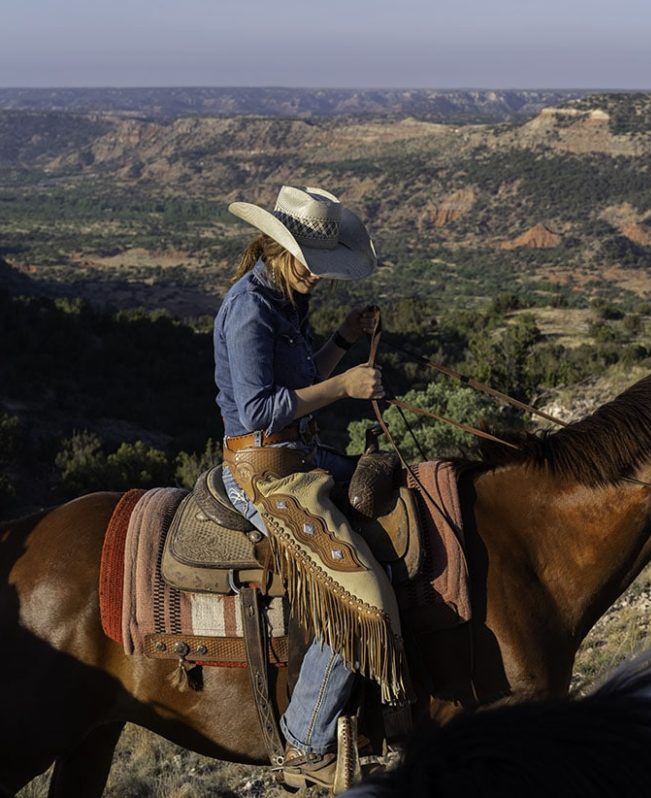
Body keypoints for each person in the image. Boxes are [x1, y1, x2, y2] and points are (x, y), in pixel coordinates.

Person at [214, 185, 408, 790]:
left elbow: (302, 378)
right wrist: (347, 386)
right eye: (311, 264)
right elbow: (257, 410)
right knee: (358, 599)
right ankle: (304, 742)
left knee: (408, 496)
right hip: (263, 471)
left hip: (301, 456)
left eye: (324, 268)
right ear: (277, 246)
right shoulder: (250, 308)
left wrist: (344, 340)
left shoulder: (284, 299)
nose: (318, 278)